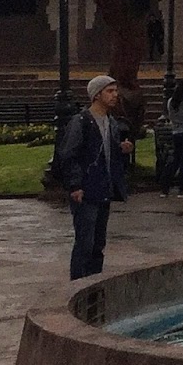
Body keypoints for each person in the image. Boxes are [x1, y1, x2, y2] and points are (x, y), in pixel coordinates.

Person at [57, 75, 133, 279]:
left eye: (115, 90)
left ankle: (94, 283)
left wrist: (121, 149)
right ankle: (78, 284)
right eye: (110, 91)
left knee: (98, 243)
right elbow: (69, 155)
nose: (115, 95)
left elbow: (109, 155)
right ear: (96, 95)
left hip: (104, 190)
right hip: (86, 191)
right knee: (85, 242)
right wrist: (75, 185)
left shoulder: (112, 123)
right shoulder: (82, 121)